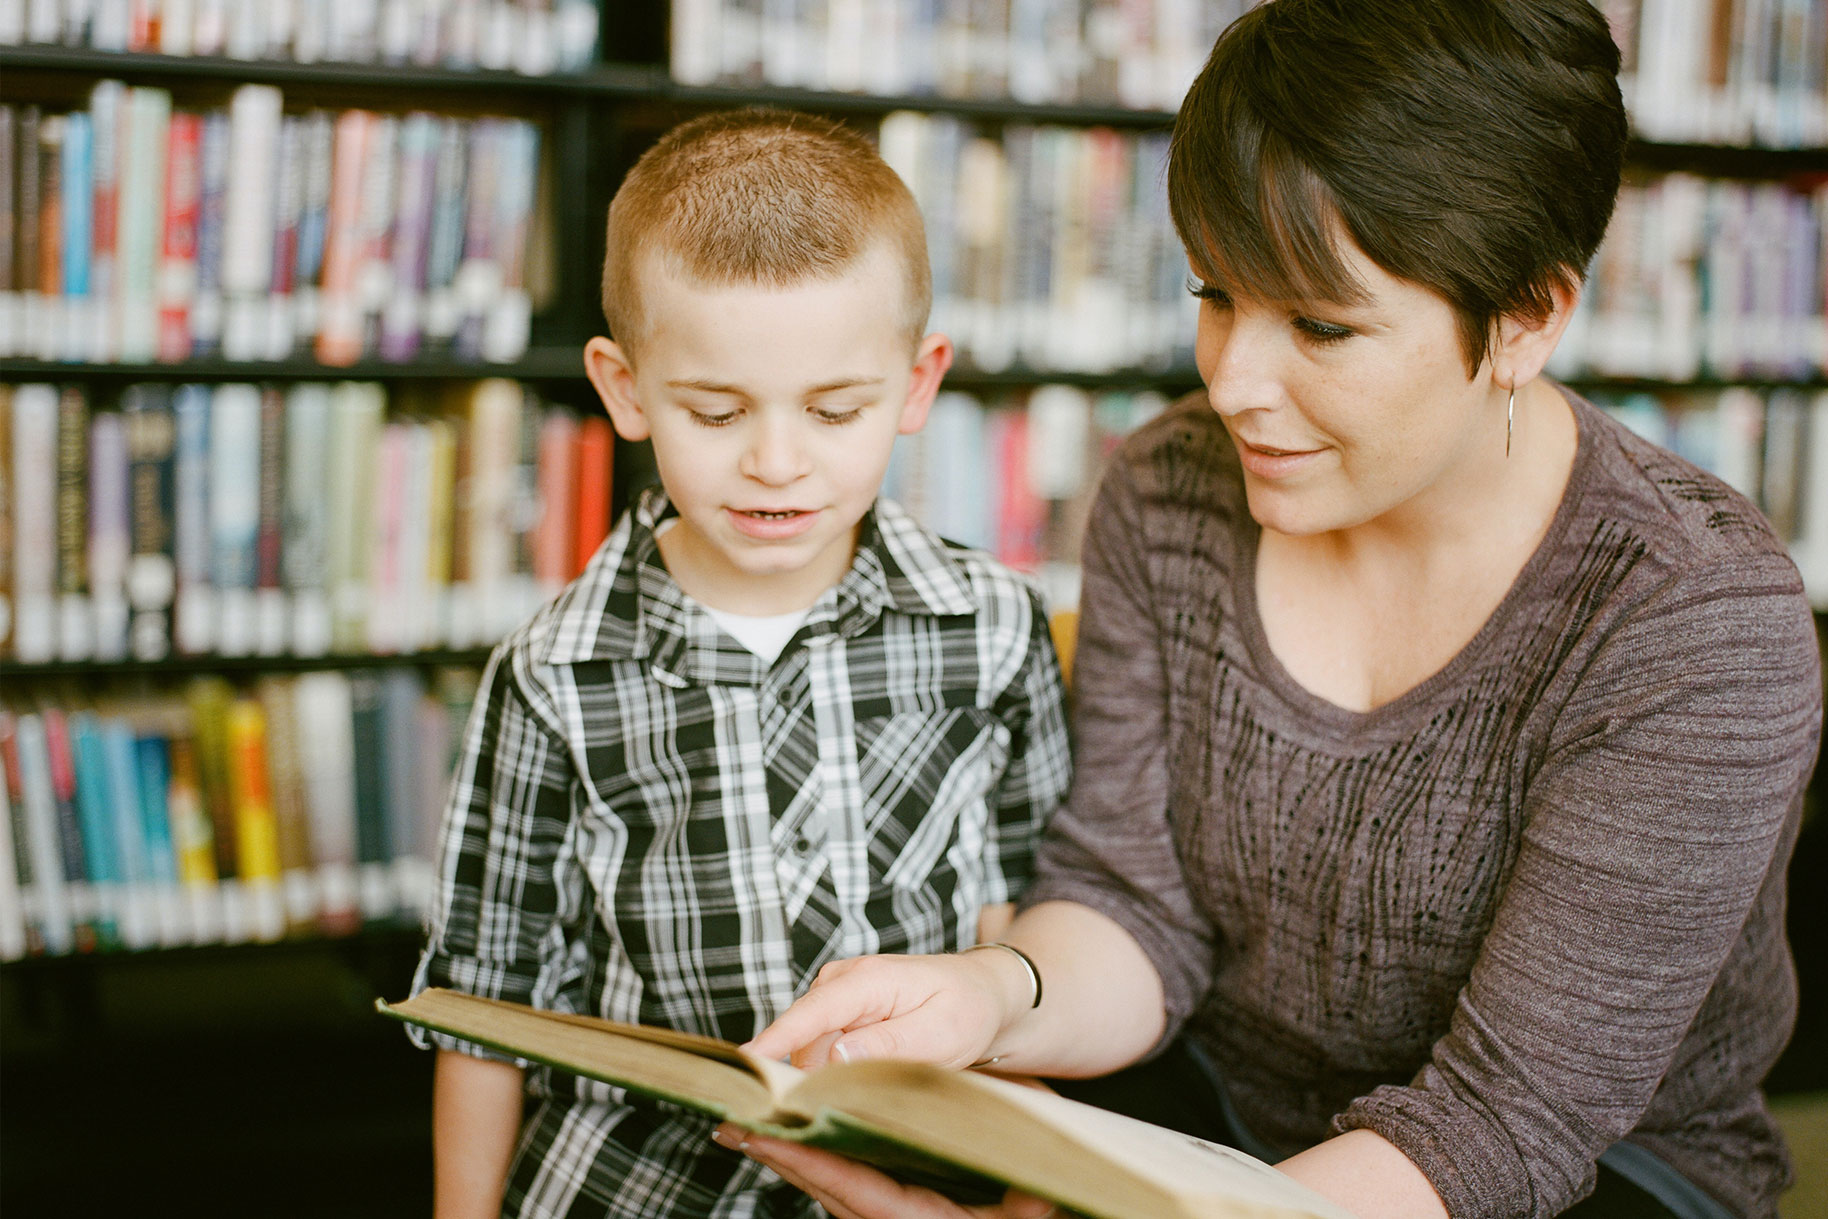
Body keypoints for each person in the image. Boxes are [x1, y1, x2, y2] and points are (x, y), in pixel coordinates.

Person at [730, 3, 1824, 1218]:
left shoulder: (1691, 616)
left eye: (1319, 325)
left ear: (1526, 317)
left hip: (1590, 1174)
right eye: (1215, 294)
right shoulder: (1169, 488)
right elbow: (1133, 907)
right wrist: (991, 995)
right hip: (1217, 1111)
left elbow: (1506, 1123)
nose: (1232, 382)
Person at [408, 108, 1072, 1219]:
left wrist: (1029, 1187)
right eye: (716, 413)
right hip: (634, 1186)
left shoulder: (994, 626)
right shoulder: (554, 672)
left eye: (834, 409)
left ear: (917, 384)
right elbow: (482, 1004)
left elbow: (1028, 925)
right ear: (625, 389)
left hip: (915, 1179)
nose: (775, 461)